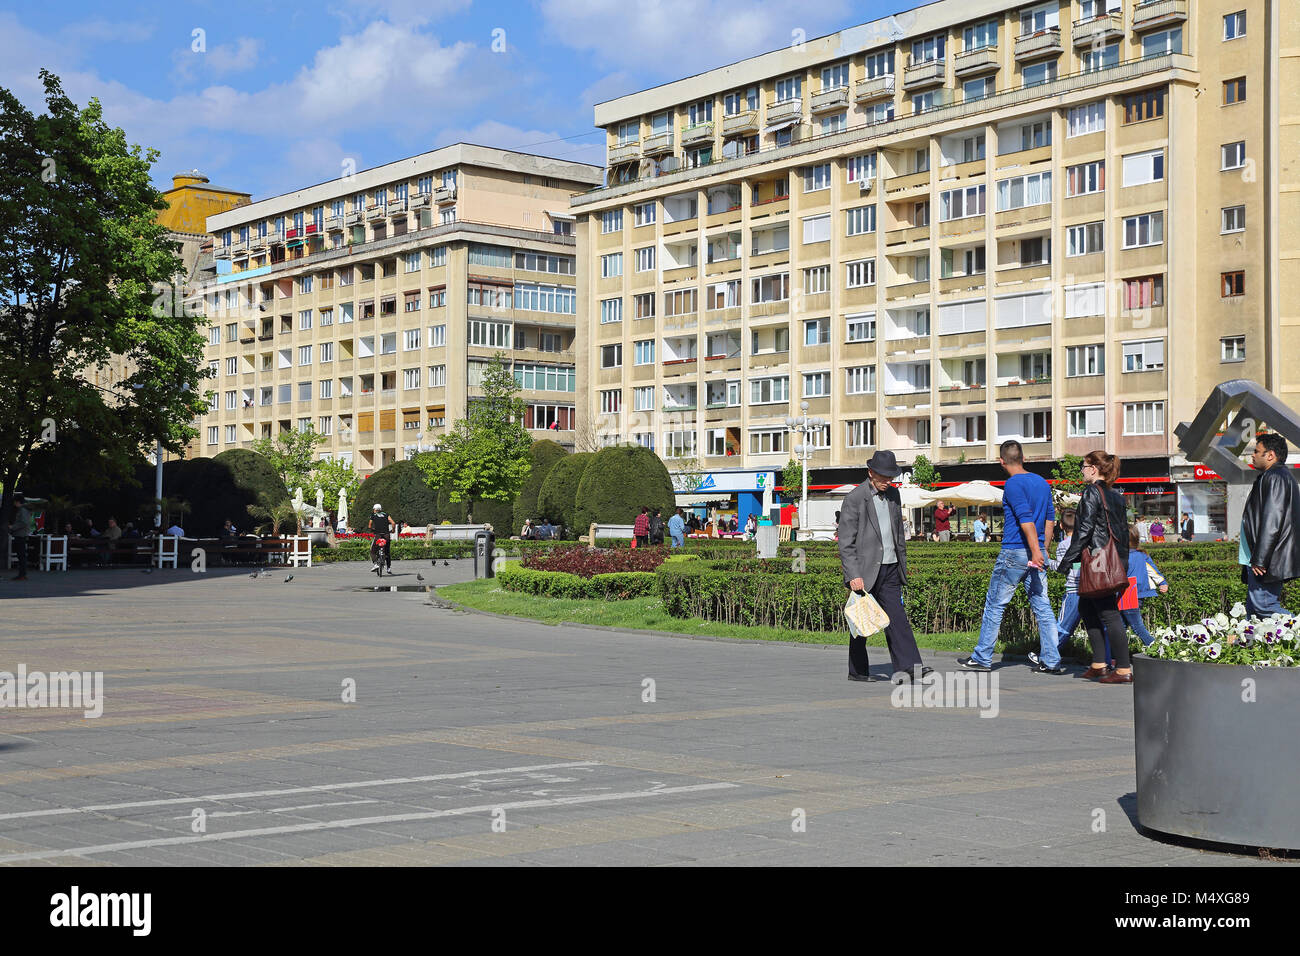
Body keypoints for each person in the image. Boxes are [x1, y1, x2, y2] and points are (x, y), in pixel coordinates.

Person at [959, 440, 1065, 675]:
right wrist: (1043, 549)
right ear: (1024, 458)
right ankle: (1051, 659)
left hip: (1015, 551)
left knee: (995, 605)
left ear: (1001, 461)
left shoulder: (1013, 484)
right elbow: (1050, 521)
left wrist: (1036, 551)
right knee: (1043, 607)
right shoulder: (1042, 483)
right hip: (1037, 552)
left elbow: (1024, 518)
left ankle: (983, 657)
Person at [838, 450, 927, 683]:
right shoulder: (855, 498)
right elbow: (846, 542)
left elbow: (897, 532)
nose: (888, 481)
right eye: (884, 477)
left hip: (890, 567)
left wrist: (901, 562)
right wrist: (853, 575)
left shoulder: (894, 495)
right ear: (871, 473)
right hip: (865, 570)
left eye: (891, 477)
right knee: (860, 621)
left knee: (897, 618)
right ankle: (857, 670)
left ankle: (910, 667)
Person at [1054, 450, 1132, 683]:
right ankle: (1099, 664)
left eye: (1084, 465)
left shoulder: (1091, 492)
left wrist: (1066, 562)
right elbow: (1122, 532)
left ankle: (1123, 669)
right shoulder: (1117, 496)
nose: (1082, 469)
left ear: (1094, 469)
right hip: (1114, 559)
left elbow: (1084, 531)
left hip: (1098, 561)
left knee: (1108, 613)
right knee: (1088, 608)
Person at [1239, 432, 1300, 617]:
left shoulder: (1275, 477)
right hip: (1261, 559)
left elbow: (1272, 520)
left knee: (1265, 608)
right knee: (1254, 614)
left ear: (1270, 455)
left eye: (1257, 452)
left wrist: (1260, 557)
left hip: (1265, 561)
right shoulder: (1275, 476)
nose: (1253, 455)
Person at [1122, 526, 1168, 647]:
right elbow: (1153, 570)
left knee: (1136, 627)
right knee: (1121, 627)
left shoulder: (1121, 556)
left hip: (1126, 594)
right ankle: (1114, 656)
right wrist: (1162, 583)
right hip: (1138, 594)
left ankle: (1157, 649)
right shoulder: (1142, 555)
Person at [1047, 509, 1082, 658]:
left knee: (1063, 625)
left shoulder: (1064, 544)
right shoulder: (1086, 541)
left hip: (1074, 588)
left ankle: (1049, 655)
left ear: (1061, 525)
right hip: (1090, 588)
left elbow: (1062, 567)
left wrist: (1047, 561)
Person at [8, 494, 32, 581]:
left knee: (21, 556)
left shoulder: (23, 510)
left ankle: (22, 574)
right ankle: (22, 574)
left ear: (18, 502)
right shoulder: (24, 510)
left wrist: (13, 527)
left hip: (20, 535)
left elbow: (23, 522)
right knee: (21, 555)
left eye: (15, 502)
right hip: (21, 534)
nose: (14, 504)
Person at [368, 503, 393, 573]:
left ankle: (375, 564)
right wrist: (393, 530)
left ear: (375, 510)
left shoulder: (373, 515)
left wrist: (372, 530)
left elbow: (369, 526)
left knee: (372, 551)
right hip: (386, 535)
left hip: (378, 535)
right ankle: (388, 568)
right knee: (387, 552)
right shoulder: (386, 514)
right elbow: (393, 523)